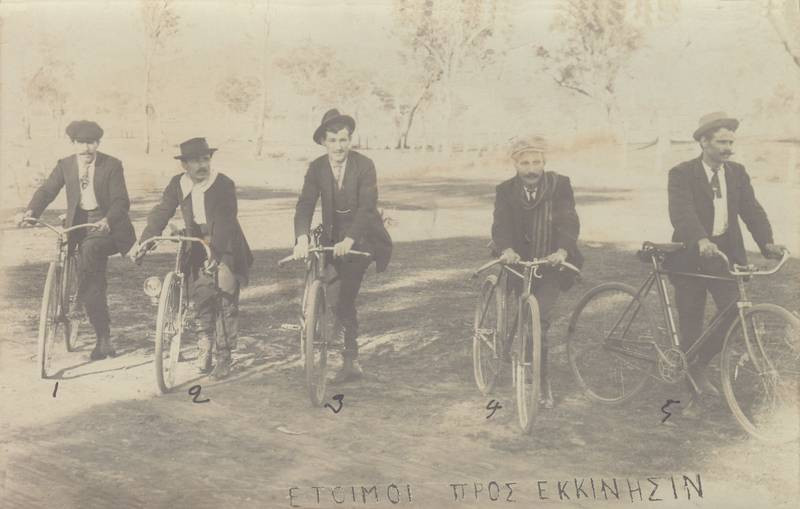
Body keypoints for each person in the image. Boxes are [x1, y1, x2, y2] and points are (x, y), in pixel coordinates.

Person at [667, 112, 784, 398]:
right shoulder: (682, 173)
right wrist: (701, 240)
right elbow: (682, 213)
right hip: (691, 258)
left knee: (733, 312)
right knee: (691, 322)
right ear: (703, 142)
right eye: (722, 141)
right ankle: (689, 392)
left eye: (731, 142)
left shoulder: (736, 172)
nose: (728, 148)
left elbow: (751, 210)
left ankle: (697, 364)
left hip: (725, 257)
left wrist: (766, 242)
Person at [17, 120, 136, 360]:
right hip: (78, 227)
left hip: (108, 229)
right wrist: (32, 212)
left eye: (91, 143)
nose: (86, 149)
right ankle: (96, 326)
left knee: (91, 255)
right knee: (87, 273)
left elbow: (121, 201)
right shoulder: (65, 165)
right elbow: (47, 191)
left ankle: (90, 318)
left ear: (98, 143)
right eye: (81, 143)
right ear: (73, 144)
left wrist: (108, 220)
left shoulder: (112, 165)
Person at [136, 138, 253, 380]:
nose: (202, 165)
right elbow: (162, 211)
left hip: (226, 244)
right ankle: (204, 346)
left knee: (224, 297)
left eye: (205, 159)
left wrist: (216, 252)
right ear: (184, 166)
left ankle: (224, 356)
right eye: (195, 161)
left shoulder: (223, 184)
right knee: (201, 295)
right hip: (197, 245)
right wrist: (145, 241)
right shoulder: (178, 184)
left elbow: (225, 221)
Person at [293, 108, 392, 384]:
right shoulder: (317, 168)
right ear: (324, 142)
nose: (339, 146)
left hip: (362, 238)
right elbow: (305, 204)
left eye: (344, 139)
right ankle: (327, 345)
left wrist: (350, 241)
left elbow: (367, 207)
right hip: (330, 239)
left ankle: (350, 360)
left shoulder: (364, 165)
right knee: (329, 293)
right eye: (333, 140)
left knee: (342, 296)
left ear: (350, 140)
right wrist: (301, 238)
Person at [491, 135, 582, 408]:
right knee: (525, 308)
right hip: (518, 260)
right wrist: (506, 248)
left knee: (538, 320)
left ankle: (541, 382)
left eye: (537, 162)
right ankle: (512, 350)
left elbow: (569, 219)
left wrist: (563, 251)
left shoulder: (559, 185)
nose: (532, 169)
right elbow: (501, 223)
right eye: (525, 163)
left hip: (552, 262)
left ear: (545, 162)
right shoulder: (505, 190)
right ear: (515, 164)